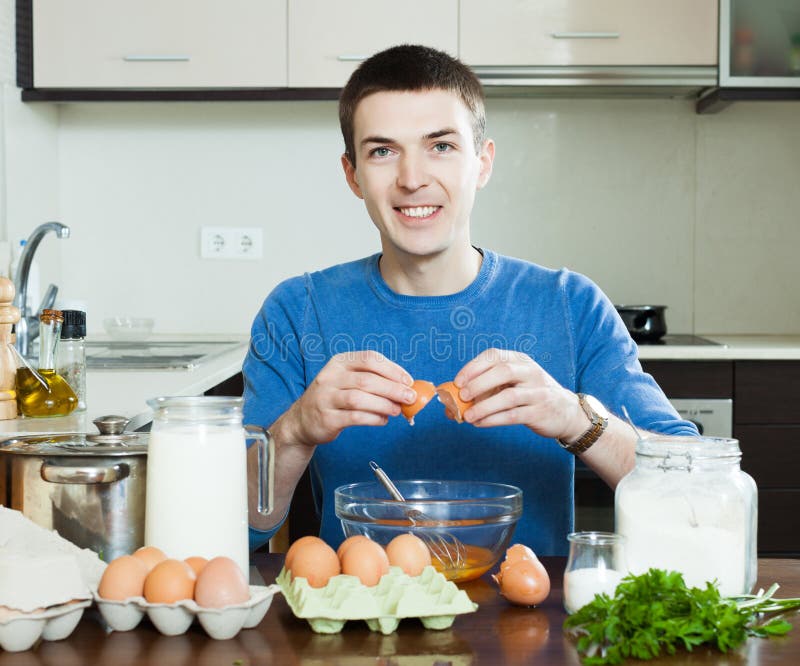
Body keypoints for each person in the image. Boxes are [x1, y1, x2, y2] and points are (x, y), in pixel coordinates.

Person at [243, 44, 697, 556]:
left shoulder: (571, 306)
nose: (412, 179)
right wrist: (296, 431)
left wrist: (577, 419)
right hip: (355, 618)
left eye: (440, 146)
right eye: (383, 151)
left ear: (482, 163)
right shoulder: (298, 310)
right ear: (352, 175)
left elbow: (694, 499)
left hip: (533, 621)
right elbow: (237, 527)